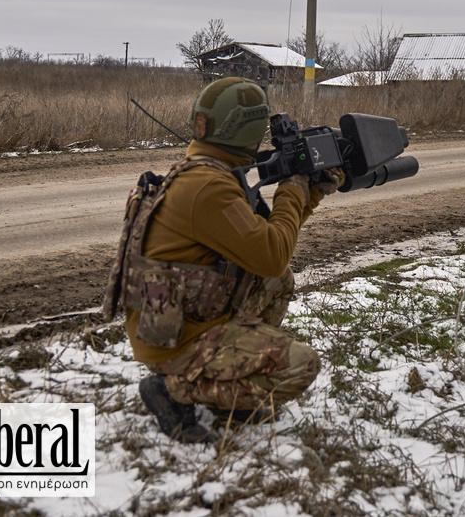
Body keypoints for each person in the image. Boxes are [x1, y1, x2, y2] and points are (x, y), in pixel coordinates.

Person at [102, 76, 342, 443]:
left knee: (278, 281)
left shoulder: (204, 171)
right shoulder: (209, 187)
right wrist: (293, 190)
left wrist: (308, 195)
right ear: (247, 130)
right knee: (299, 365)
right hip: (176, 341)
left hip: (178, 320)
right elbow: (272, 254)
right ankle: (175, 389)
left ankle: (225, 387)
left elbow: (267, 246)